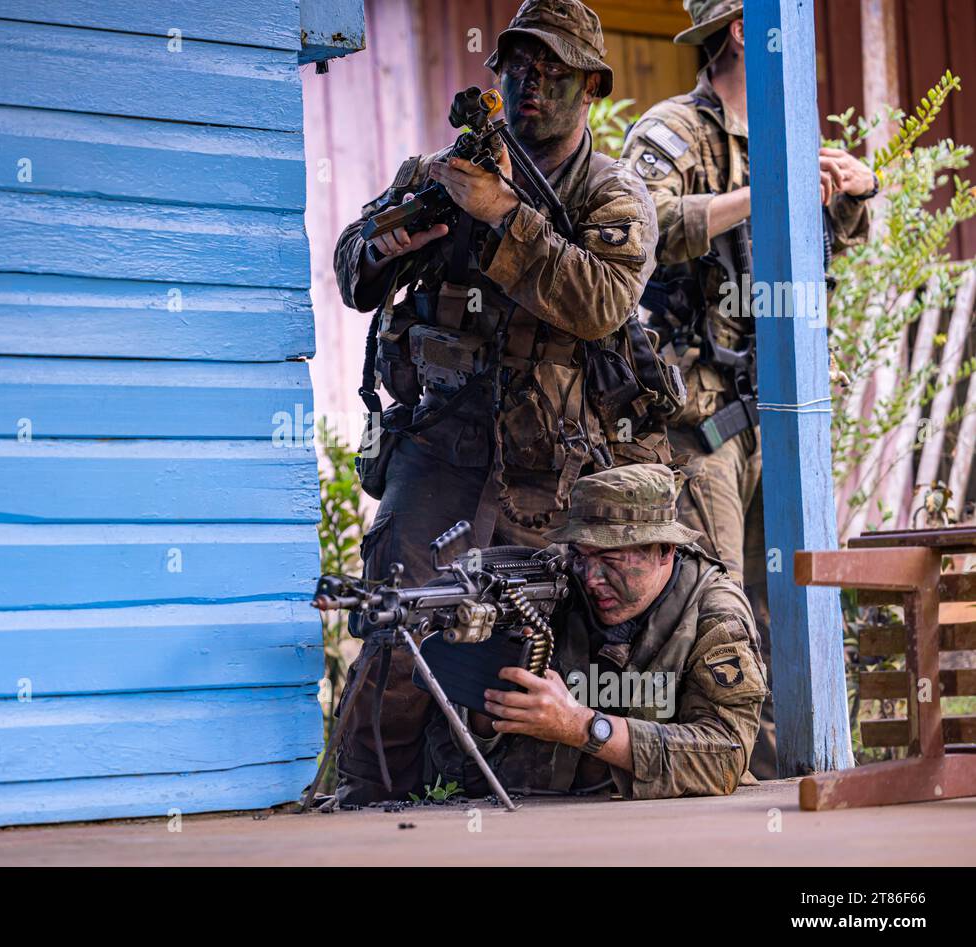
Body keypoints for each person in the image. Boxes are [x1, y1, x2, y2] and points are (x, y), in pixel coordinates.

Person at [329, 0, 680, 805]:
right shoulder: (442, 170)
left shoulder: (613, 195)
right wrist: (388, 243)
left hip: (553, 467)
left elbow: (599, 302)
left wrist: (501, 216)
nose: (532, 84)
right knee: (395, 627)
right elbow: (352, 266)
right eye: (519, 66)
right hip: (440, 447)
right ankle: (362, 801)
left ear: (592, 84)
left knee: (544, 651)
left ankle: (523, 815)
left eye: (554, 71)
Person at [619, 0, 875, 777]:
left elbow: (834, 242)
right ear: (742, 31)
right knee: (716, 598)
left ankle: (784, 767)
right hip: (699, 417)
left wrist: (855, 192)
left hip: (780, 413)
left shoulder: (789, 139)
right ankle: (709, 769)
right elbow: (641, 227)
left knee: (792, 598)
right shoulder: (673, 131)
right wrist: (769, 190)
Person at [425, 463, 768, 799]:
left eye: (611, 559)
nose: (590, 577)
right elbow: (462, 755)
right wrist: (493, 703)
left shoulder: (713, 612)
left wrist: (581, 727)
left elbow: (724, 755)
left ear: (665, 550)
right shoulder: (547, 584)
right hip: (537, 815)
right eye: (581, 555)